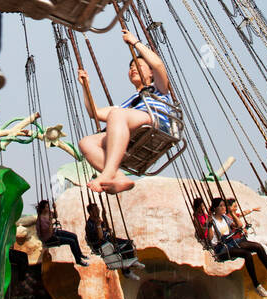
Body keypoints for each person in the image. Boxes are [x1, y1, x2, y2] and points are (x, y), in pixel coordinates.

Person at [70, 32, 171, 195]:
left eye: (138, 66)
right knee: (86, 142)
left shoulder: (158, 88)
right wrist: (85, 86)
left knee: (116, 115)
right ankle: (119, 177)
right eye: (130, 67)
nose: (132, 69)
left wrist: (135, 42)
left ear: (151, 73)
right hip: (131, 125)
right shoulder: (127, 104)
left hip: (155, 122)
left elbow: (158, 65)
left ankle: (107, 174)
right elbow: (94, 113)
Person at [202, 197, 267, 296]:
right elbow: (210, 238)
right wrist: (210, 225)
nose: (224, 208)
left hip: (232, 242)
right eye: (221, 206)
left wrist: (232, 214)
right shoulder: (212, 221)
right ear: (215, 208)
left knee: (258, 246)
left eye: (224, 205)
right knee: (247, 254)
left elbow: (239, 225)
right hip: (222, 248)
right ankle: (257, 285)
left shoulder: (225, 218)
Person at [84, 202, 140, 275]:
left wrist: (104, 217)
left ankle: (129, 267)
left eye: (98, 209)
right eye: (96, 210)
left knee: (128, 243)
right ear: (91, 212)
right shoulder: (90, 224)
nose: (98, 211)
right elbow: (100, 237)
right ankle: (127, 270)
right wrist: (98, 225)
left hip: (107, 239)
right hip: (101, 244)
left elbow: (106, 228)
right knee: (120, 246)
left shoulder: (98, 220)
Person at [35, 199, 88, 266]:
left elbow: (56, 216)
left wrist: (55, 208)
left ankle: (80, 254)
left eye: (48, 206)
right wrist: (51, 220)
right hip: (49, 239)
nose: (48, 208)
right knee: (71, 241)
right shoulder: (41, 220)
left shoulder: (48, 213)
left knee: (74, 236)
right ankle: (78, 260)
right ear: (43, 209)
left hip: (53, 233)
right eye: (47, 207)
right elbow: (49, 232)